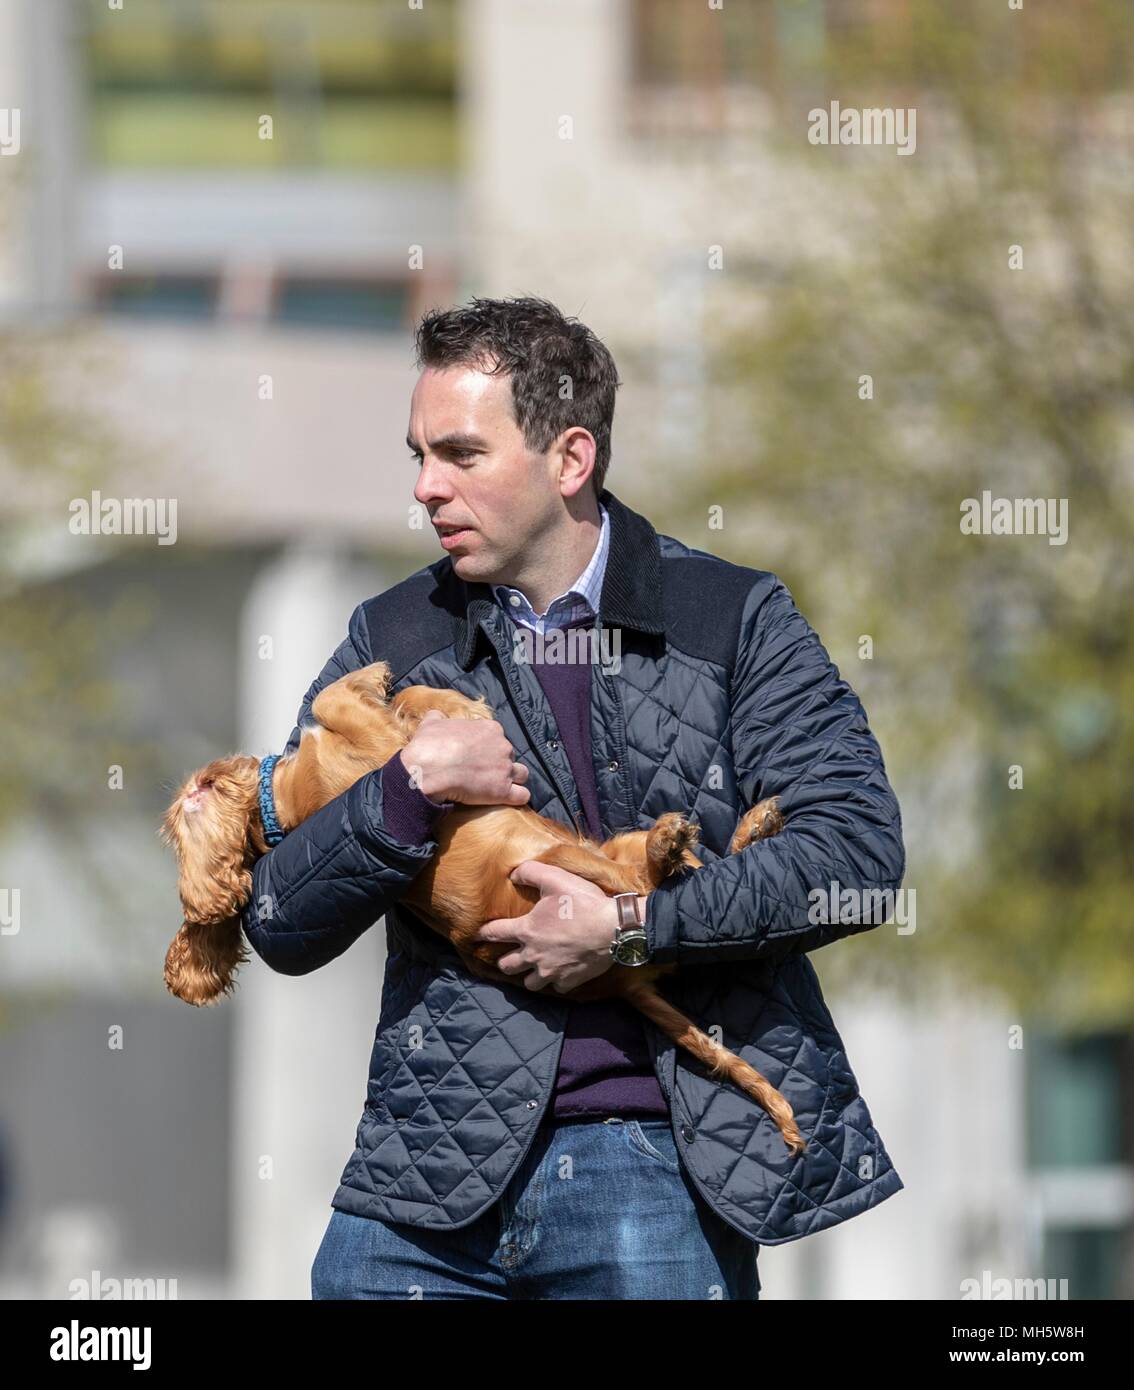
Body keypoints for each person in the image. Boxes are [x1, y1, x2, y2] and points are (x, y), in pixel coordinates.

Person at [241, 294, 906, 1300]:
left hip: (652, 1176)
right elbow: (278, 917)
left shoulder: (732, 616)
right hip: (418, 1194)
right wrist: (406, 790)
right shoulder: (389, 639)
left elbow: (858, 856)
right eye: (418, 454)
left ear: (570, 459)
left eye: (461, 454)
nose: (425, 488)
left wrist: (630, 928)